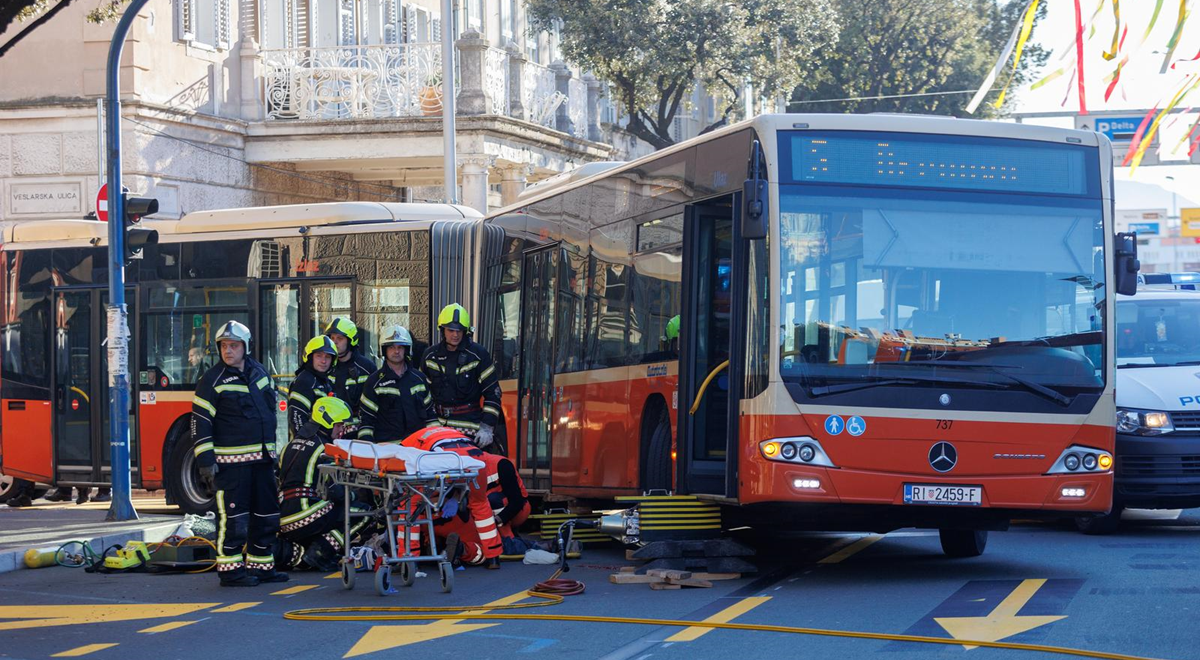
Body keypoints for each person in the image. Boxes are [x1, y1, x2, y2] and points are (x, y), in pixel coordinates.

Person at [191, 320, 287, 587]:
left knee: (267, 515)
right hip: (231, 466)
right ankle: (231, 571)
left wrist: (275, 452)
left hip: (263, 461)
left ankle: (262, 566)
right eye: (224, 346)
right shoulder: (212, 380)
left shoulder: (260, 372)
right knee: (234, 520)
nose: (228, 351)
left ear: (246, 347)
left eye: (234, 346)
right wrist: (206, 462)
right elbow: (200, 423)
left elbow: (273, 414)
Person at [278, 396, 367, 572]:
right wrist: (356, 494)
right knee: (363, 512)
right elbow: (336, 492)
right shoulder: (325, 449)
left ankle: (307, 552)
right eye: (339, 425)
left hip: (283, 517)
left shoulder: (290, 445)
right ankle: (320, 553)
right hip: (305, 515)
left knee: (330, 513)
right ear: (327, 422)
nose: (342, 429)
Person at [401, 426, 505, 569]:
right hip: (474, 457)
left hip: (445, 458)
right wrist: (455, 498)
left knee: (408, 505)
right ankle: (494, 557)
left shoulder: (412, 440)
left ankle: (408, 558)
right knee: (480, 504)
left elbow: (401, 460)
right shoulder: (450, 432)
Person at [421, 304, 504, 454]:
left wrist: (487, 428)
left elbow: (493, 393)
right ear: (442, 330)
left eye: (459, 330)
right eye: (451, 330)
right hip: (437, 430)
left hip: (471, 431)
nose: (455, 335)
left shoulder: (478, 355)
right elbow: (421, 396)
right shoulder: (430, 356)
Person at [358, 326, 439, 443]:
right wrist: (368, 450)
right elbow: (366, 422)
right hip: (386, 451)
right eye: (391, 347)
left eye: (400, 347)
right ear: (384, 350)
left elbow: (430, 416)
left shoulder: (419, 379)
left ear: (407, 349)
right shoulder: (374, 382)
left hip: (416, 448)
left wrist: (435, 442)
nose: (396, 351)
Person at [324, 317, 378, 426]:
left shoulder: (367, 368)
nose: (334, 342)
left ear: (350, 341)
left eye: (340, 338)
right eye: (332, 338)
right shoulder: (326, 366)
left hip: (358, 433)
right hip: (330, 431)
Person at [287, 336, 338, 439]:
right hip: (308, 446)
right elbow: (297, 418)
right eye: (319, 356)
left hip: (322, 443)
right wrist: (304, 442)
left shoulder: (325, 381)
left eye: (327, 357)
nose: (323, 361)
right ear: (310, 358)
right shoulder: (305, 381)